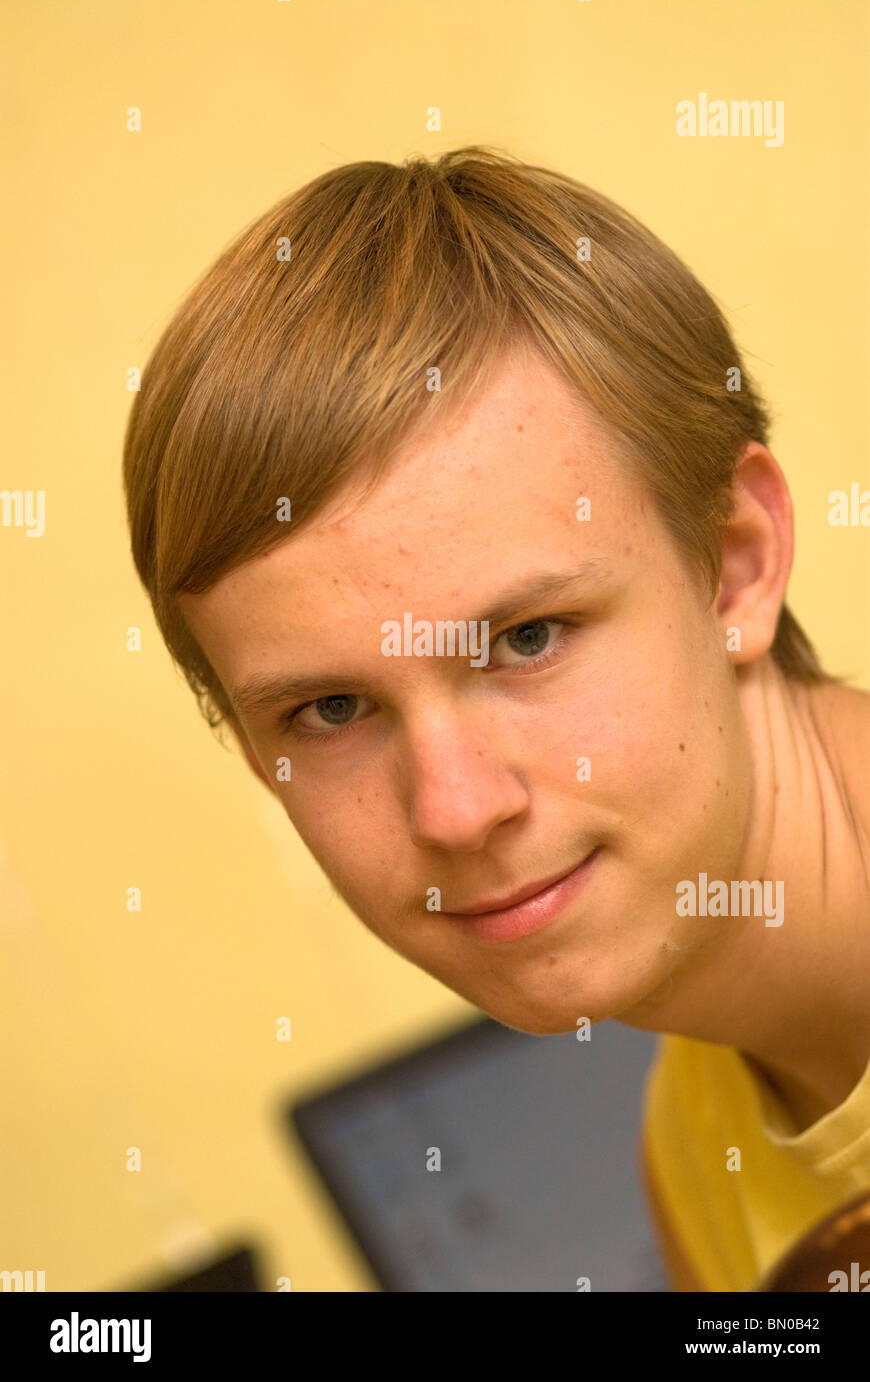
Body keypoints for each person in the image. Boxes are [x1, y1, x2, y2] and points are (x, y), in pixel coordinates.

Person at [122, 146, 870, 1292]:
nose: (457, 808)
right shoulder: (690, 1153)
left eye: (527, 638)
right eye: (331, 710)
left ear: (735, 567)